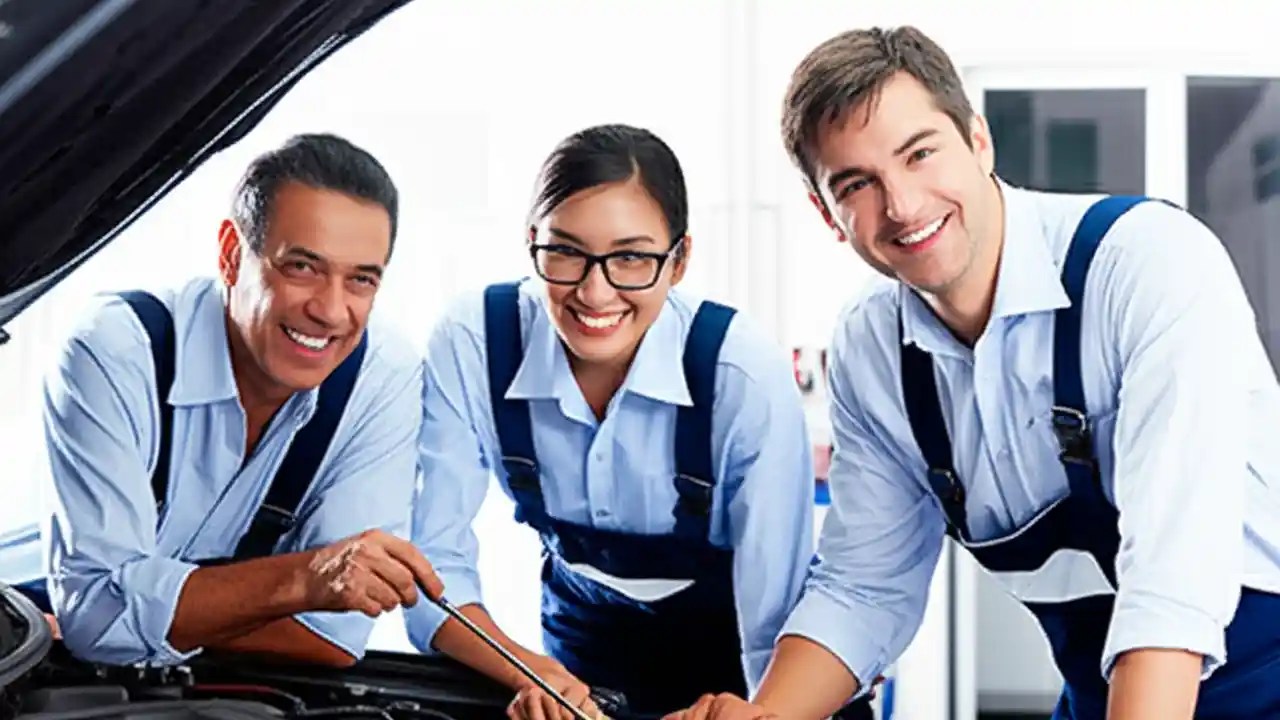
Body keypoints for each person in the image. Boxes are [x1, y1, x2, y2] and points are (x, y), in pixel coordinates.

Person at [665, 25, 1280, 720]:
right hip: (1104, 693)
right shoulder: (875, 348)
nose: (902, 205)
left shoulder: (1148, 266)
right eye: (857, 183)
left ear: (978, 141)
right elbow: (866, 587)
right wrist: (766, 715)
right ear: (826, 213)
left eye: (920, 154)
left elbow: (1170, 589)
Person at [404, 123, 832, 720]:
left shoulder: (738, 371)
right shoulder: (476, 341)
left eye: (631, 258)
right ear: (532, 242)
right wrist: (536, 675)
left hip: (737, 672)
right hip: (577, 658)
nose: (594, 292)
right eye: (566, 251)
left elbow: (774, 614)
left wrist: (759, 715)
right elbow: (432, 571)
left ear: (679, 260)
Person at [35, 133, 443, 668]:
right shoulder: (118, 348)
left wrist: (129, 610)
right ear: (231, 254)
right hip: (25, 641)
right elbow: (92, 619)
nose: (331, 310)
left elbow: (332, 638)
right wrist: (304, 579)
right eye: (302, 267)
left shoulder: (382, 377)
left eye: (361, 280)